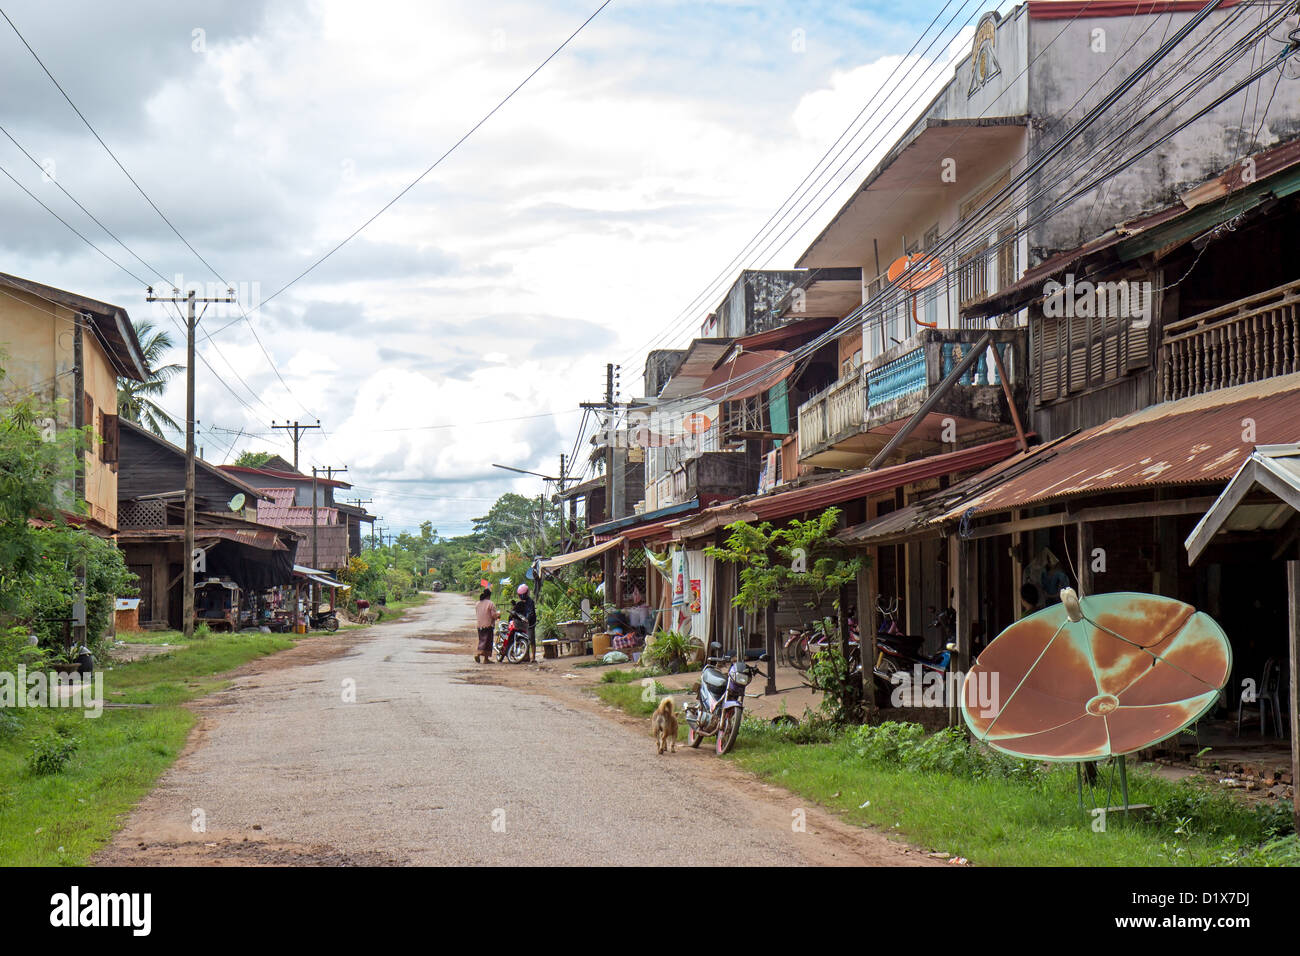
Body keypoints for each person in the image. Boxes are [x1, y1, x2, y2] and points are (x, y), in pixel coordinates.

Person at [474, 588, 499, 664]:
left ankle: (483, 657)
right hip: (488, 625)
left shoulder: (477, 603)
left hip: (480, 626)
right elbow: (493, 615)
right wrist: (498, 615)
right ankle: (481, 656)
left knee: (482, 641)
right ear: (489, 595)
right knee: (487, 643)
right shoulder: (490, 603)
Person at [513, 583, 537, 662]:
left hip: (530, 623)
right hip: (523, 624)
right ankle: (526, 656)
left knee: (531, 640)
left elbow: (530, 613)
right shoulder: (520, 602)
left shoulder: (530, 602)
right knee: (525, 639)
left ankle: (533, 657)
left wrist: (527, 618)